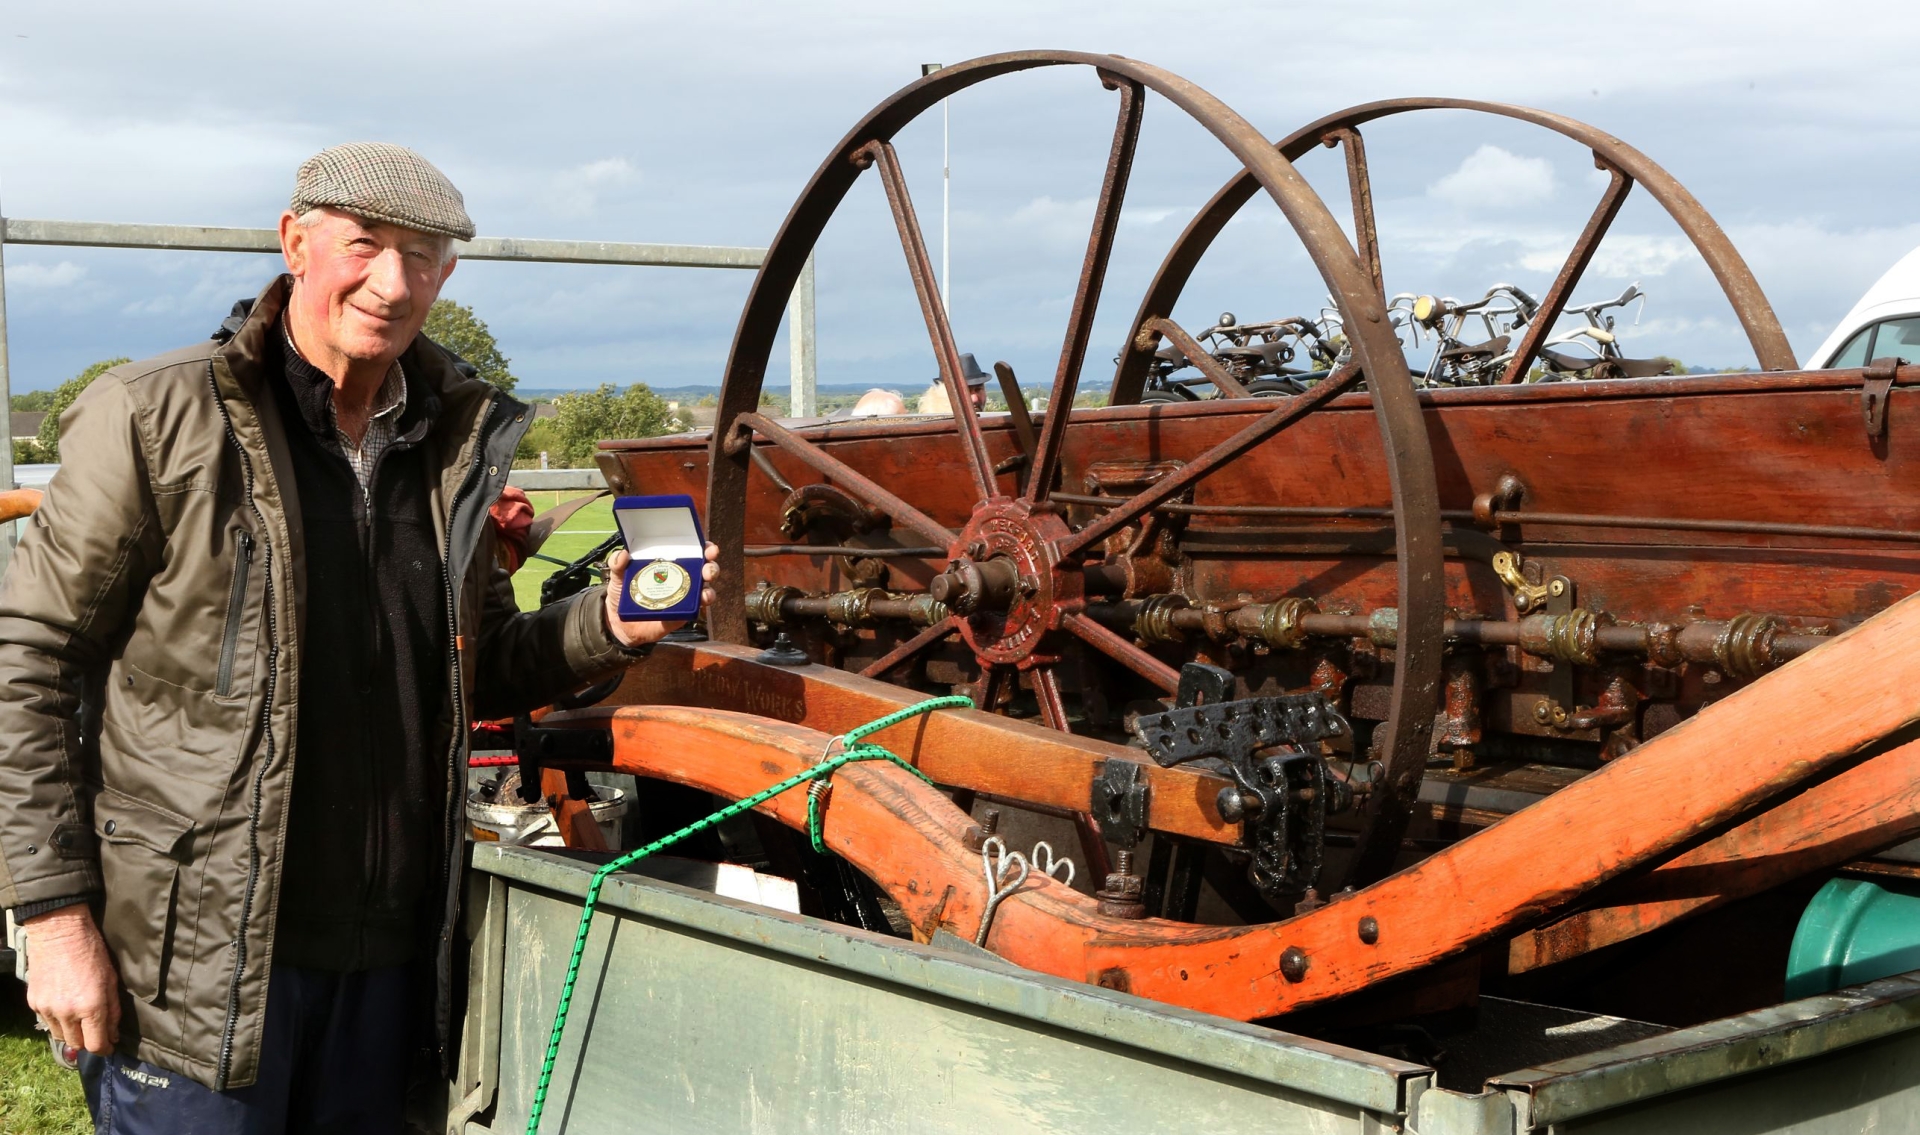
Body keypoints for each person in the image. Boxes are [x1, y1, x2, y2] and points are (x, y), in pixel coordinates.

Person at [0, 142, 718, 1132]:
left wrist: (615, 621)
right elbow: (28, 666)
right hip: (193, 972)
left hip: (388, 967)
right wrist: (52, 914)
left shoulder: (446, 443)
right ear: (295, 243)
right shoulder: (157, 418)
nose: (393, 282)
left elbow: (482, 663)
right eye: (365, 245)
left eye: (423, 256)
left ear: (448, 275)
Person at [915, 352, 992, 416]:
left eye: (978, 389)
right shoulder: (932, 427)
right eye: (966, 391)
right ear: (944, 394)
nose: (975, 399)